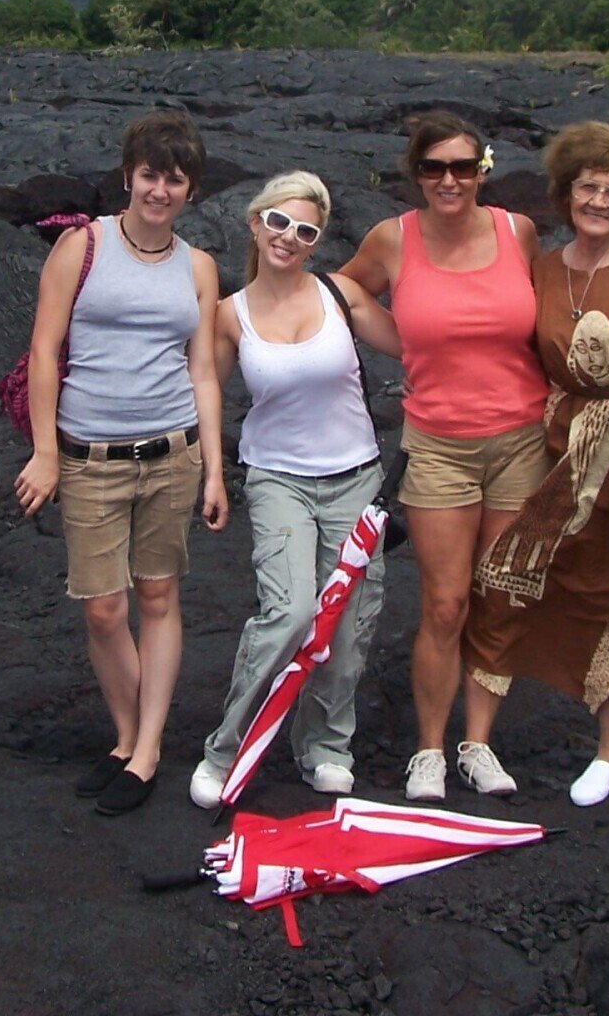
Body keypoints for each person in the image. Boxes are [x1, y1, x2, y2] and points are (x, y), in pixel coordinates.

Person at [463, 121, 609, 812]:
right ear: (564, 194)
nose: (600, 200)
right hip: (572, 455)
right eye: (588, 188)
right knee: (594, 594)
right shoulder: (544, 269)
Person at [14, 110, 228, 815]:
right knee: (104, 609)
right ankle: (131, 735)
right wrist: (45, 452)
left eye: (175, 179)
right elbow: (44, 350)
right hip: (88, 454)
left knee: (159, 597)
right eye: (149, 175)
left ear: (190, 190)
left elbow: (202, 372)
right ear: (127, 176)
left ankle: (143, 749)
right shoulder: (82, 245)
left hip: (172, 454)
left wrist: (216, 470)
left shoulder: (198, 266)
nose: (159, 191)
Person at [339, 112, 550, 802]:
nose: (450, 180)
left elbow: (543, 316)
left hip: (520, 442)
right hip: (437, 448)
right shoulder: (392, 239)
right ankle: (429, 750)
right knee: (445, 602)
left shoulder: (517, 231)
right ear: (417, 174)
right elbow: (343, 289)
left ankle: (478, 743)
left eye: (463, 166)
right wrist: (406, 345)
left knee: (497, 600)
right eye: (435, 168)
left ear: (483, 170)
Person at [188, 173, 402, 809]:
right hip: (278, 479)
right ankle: (225, 749)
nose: (289, 237)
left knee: (352, 619)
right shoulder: (229, 314)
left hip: (356, 477)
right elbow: (207, 386)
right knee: (291, 613)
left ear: (316, 242)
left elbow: (417, 346)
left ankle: (327, 744)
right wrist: (210, 473)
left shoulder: (341, 294)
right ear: (254, 223)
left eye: (305, 230)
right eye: (278, 222)